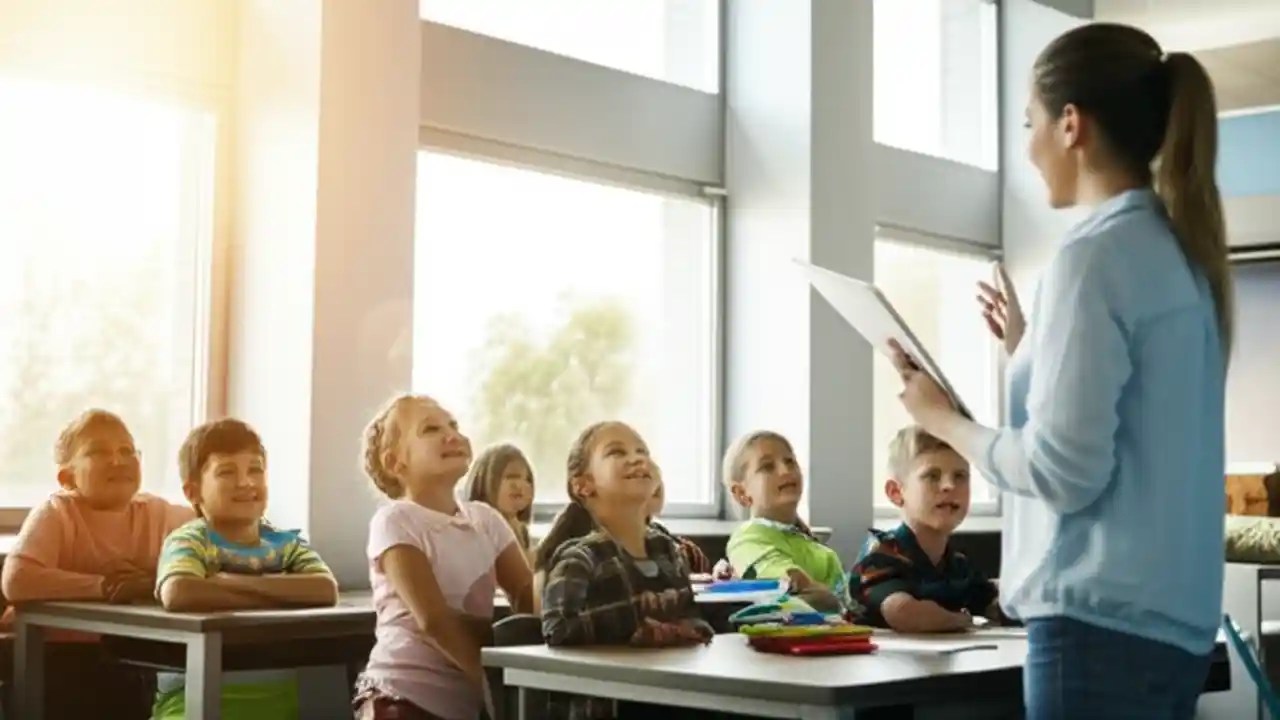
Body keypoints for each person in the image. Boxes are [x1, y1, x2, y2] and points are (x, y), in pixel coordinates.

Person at [890, 22, 1231, 719]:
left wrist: (943, 423)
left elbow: (1062, 473)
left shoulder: (1093, 259)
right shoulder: (1178, 259)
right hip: (1171, 631)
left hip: (1097, 630)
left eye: (1031, 123)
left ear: (1070, 124)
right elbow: (1139, 430)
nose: (1029, 146)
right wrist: (1031, 350)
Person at [1, 409, 194, 719]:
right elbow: (18, 579)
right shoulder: (58, 512)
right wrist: (105, 587)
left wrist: (151, 581)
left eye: (127, 451)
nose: (117, 460)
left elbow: (211, 544)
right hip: (51, 659)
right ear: (67, 477)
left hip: (130, 659)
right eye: (98, 452)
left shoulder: (159, 513)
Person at [354, 394, 534, 720]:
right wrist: (491, 689)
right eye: (431, 429)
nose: (452, 434)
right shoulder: (395, 521)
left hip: (461, 705)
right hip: (400, 699)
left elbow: (527, 595)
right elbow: (434, 620)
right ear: (396, 463)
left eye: (453, 425)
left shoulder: (486, 520)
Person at [155, 418, 339, 718]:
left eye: (255, 469)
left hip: (277, 705)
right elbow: (180, 592)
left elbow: (324, 589)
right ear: (192, 492)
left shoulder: (284, 542)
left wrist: (229, 582)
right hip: (191, 704)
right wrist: (282, 593)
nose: (246, 482)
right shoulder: (190, 539)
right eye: (227, 472)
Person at [541, 421, 714, 720]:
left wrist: (686, 629)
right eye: (616, 452)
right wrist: (636, 624)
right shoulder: (580, 557)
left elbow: (695, 619)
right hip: (611, 706)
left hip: (673, 696)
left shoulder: (667, 550)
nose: (637, 458)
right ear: (583, 485)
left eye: (642, 451)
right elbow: (557, 629)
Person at [849, 426, 1000, 632]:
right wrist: (962, 620)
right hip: (882, 662)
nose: (949, 486)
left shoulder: (958, 564)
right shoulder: (881, 554)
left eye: (960, 476)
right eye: (932, 476)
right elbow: (904, 612)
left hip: (938, 663)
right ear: (896, 493)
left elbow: (997, 607)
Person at [722, 431, 847, 612]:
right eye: (767, 467)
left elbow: (845, 609)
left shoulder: (823, 552)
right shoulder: (747, 539)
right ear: (741, 493)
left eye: (790, 462)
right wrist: (825, 598)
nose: (785, 470)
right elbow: (790, 592)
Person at [463, 443, 536, 561]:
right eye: (511, 477)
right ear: (484, 482)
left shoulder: (521, 531)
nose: (520, 485)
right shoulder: (476, 532)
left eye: (527, 479)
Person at [645, 466, 713, 575]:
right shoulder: (610, 551)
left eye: (642, 452)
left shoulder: (685, 550)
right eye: (618, 453)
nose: (642, 462)